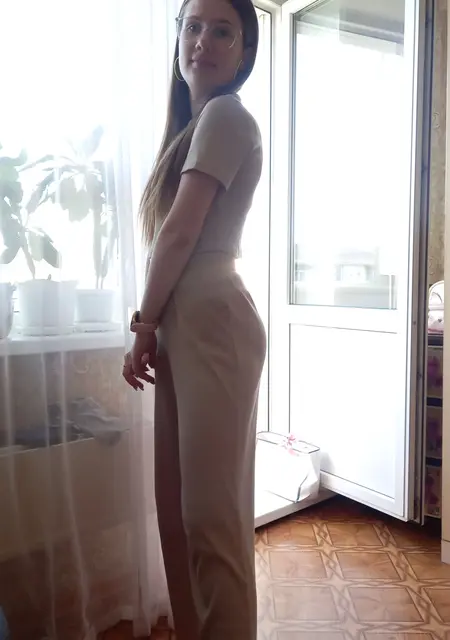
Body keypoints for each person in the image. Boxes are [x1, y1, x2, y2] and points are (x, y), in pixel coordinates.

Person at [122, 0, 265, 638]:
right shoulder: (191, 128)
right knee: (178, 513)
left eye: (222, 30)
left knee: (211, 519)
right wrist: (156, 325)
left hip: (212, 320)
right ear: (178, 38)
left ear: (243, 51)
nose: (203, 40)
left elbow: (179, 234)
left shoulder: (226, 114)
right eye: (193, 26)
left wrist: (143, 324)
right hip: (186, 321)